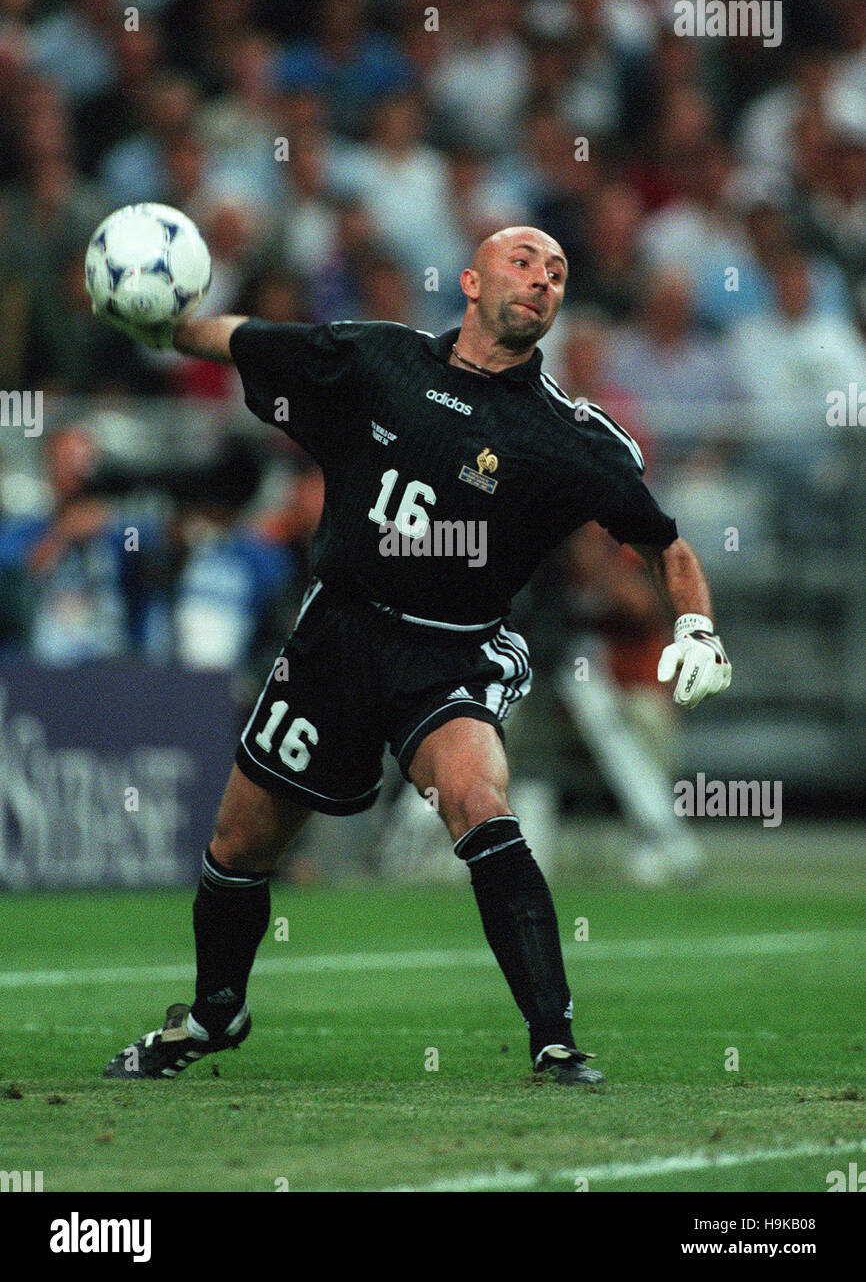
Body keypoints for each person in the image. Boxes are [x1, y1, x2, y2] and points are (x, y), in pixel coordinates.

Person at [99, 225, 731, 1086]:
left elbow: (667, 545)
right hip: (338, 634)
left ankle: (554, 1042)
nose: (543, 279)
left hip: (452, 653)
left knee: (477, 799)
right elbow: (243, 338)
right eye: (524, 262)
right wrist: (161, 328)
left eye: (559, 271)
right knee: (237, 847)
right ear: (471, 280)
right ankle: (214, 1016)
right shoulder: (376, 358)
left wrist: (697, 627)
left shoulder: (570, 437)